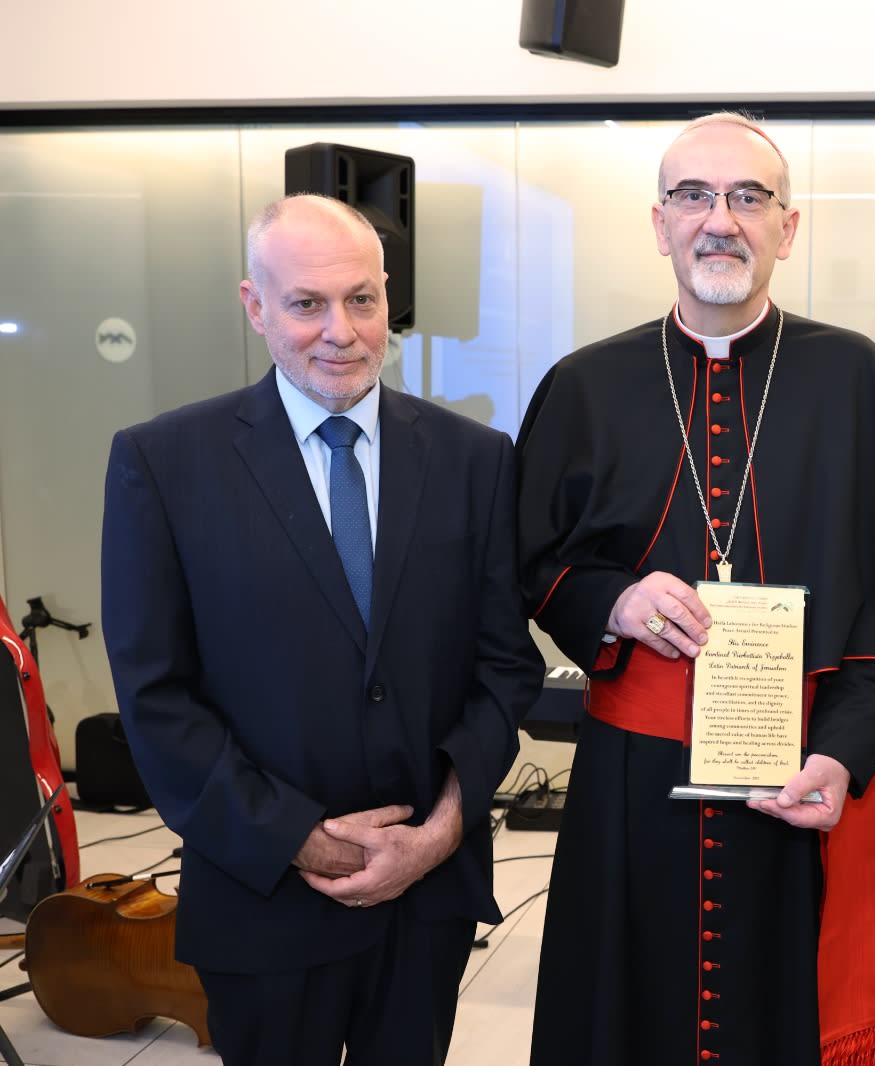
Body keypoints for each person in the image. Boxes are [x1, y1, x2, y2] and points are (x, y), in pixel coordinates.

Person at [516, 112, 875, 1066]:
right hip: (635, 782)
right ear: (659, 220)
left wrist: (842, 758)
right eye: (693, 196)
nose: (720, 220)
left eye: (748, 197)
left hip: (800, 774)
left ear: (787, 228)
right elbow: (530, 562)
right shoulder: (587, 384)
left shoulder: (854, 378)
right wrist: (614, 603)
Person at [100, 193, 545, 1066]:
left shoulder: (475, 460)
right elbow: (157, 697)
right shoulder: (164, 462)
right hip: (262, 894)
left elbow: (505, 667)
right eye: (307, 303)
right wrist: (302, 838)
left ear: (388, 301)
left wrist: (443, 830)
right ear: (255, 306)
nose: (340, 330)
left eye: (363, 299)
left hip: (426, 899)